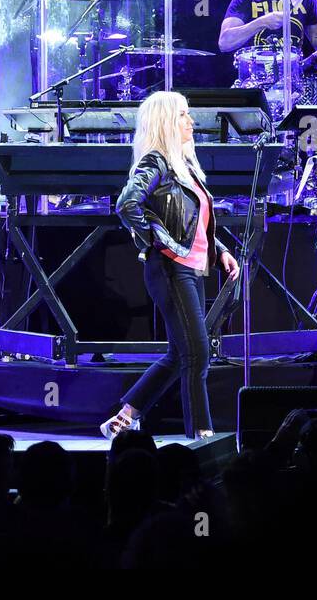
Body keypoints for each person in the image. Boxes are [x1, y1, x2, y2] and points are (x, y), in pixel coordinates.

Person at [103, 91, 241, 440]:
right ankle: (202, 435)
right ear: (166, 121)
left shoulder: (184, 168)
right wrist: (162, 243)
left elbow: (193, 222)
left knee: (180, 354)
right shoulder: (155, 163)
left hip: (192, 268)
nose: (190, 121)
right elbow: (126, 204)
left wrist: (219, 249)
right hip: (171, 268)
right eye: (183, 115)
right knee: (198, 354)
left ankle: (123, 418)